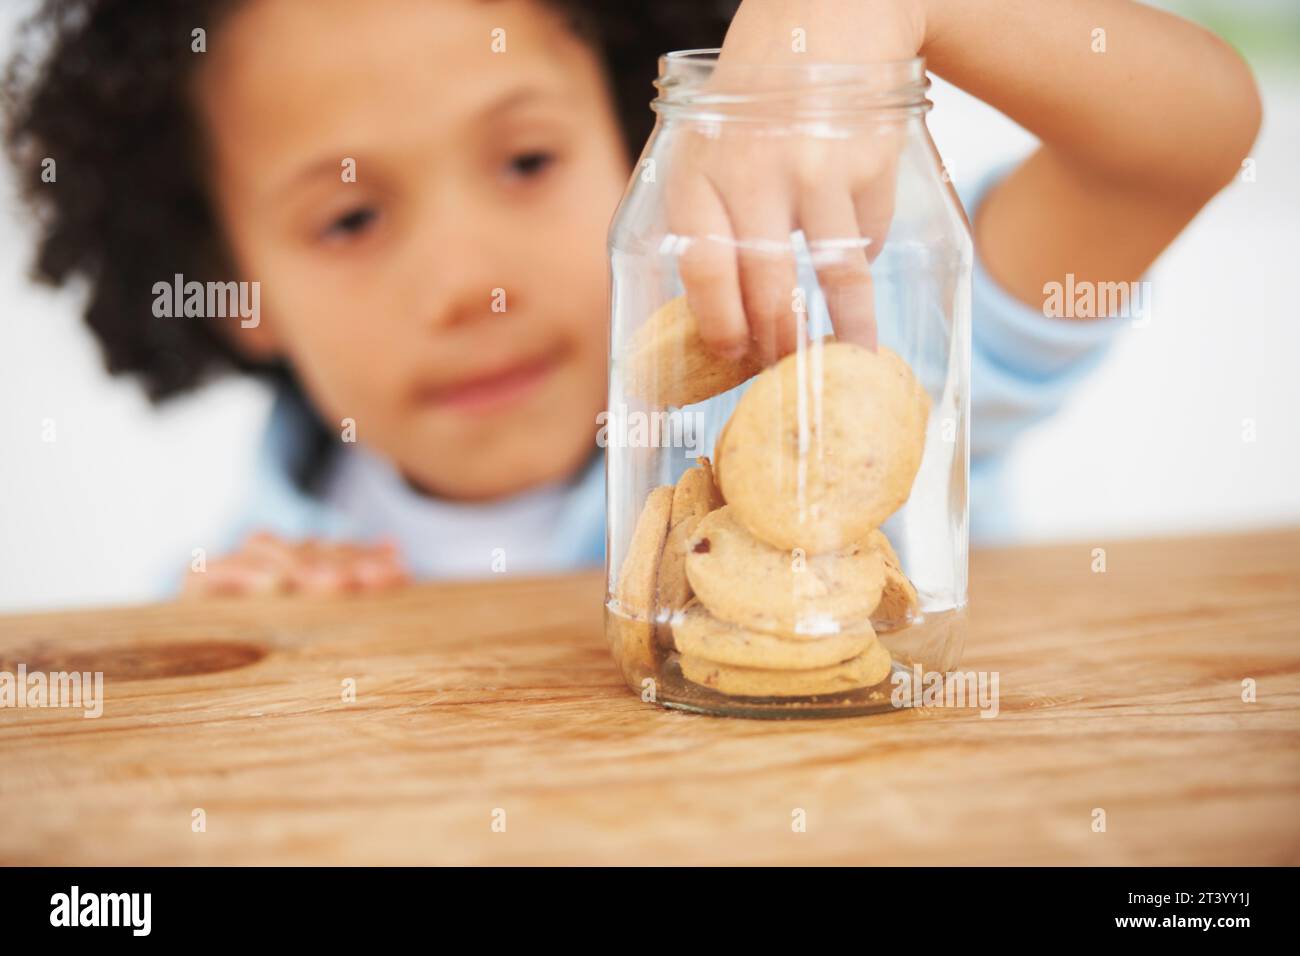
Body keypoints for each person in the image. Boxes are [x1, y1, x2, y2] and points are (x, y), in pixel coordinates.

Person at [2, 0, 1260, 597]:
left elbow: (1179, 141)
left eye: (529, 160)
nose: (470, 283)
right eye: (346, 217)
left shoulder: (834, 355)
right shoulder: (254, 572)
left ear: (640, 136)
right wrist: (267, 669)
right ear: (239, 286)